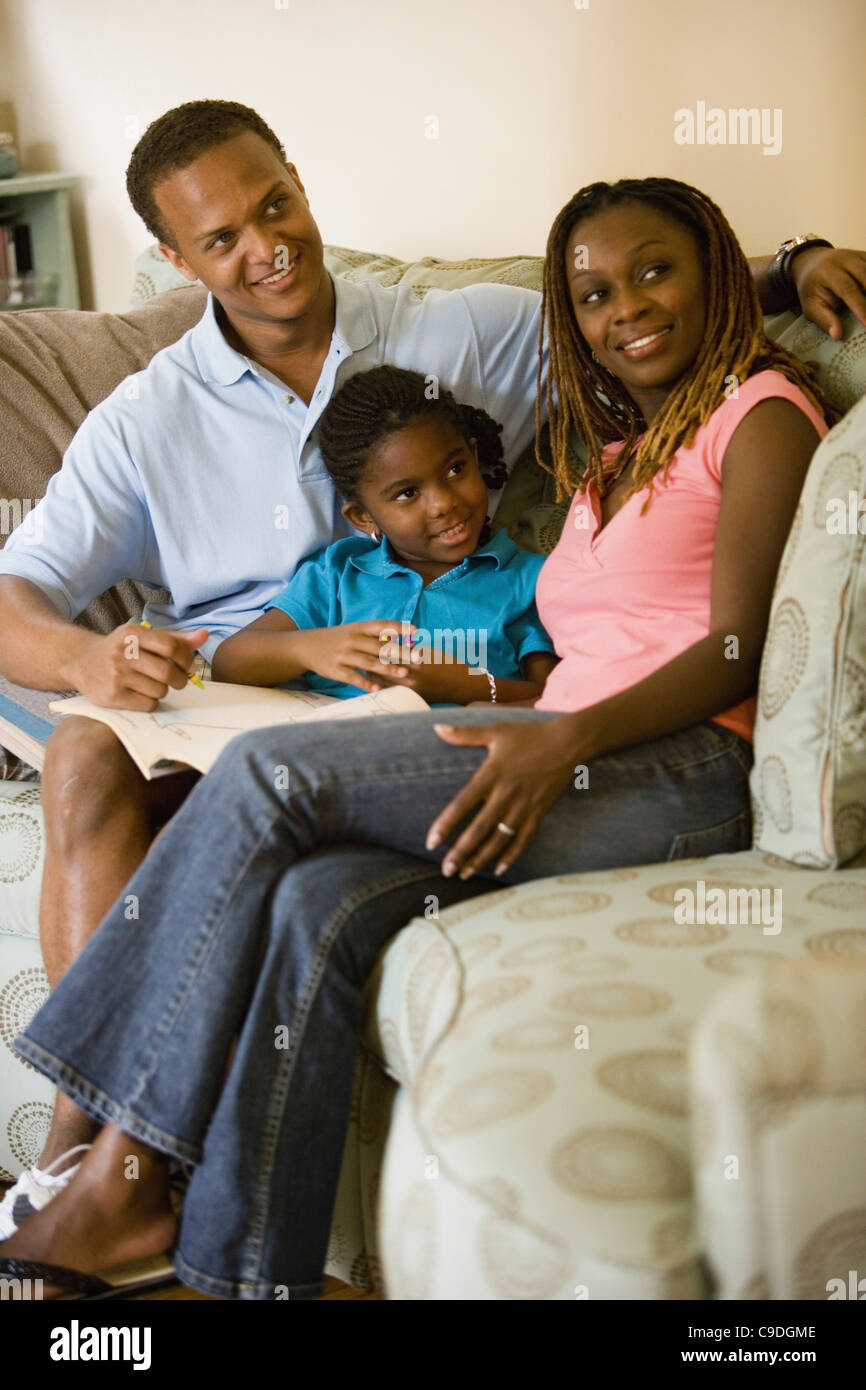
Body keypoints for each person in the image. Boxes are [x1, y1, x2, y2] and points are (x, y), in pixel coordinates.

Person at [5, 104, 854, 1214]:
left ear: (298, 179)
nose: (266, 247)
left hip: (387, 713)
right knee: (79, 747)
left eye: (276, 205)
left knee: (277, 821)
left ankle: (111, 1175)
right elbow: (16, 593)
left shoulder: (447, 329)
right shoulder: (144, 416)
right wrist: (85, 655)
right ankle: (83, 1160)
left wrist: (790, 265)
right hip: (221, 681)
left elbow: (626, 296)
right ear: (175, 260)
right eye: (221, 241)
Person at [213, 365, 557, 703]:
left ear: (474, 455)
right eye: (407, 493)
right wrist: (310, 647)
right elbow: (229, 664)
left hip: (461, 747)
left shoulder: (532, 581)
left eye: (455, 469)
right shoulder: (338, 574)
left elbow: (556, 697)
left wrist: (468, 688)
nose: (442, 504)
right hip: (339, 744)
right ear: (364, 517)